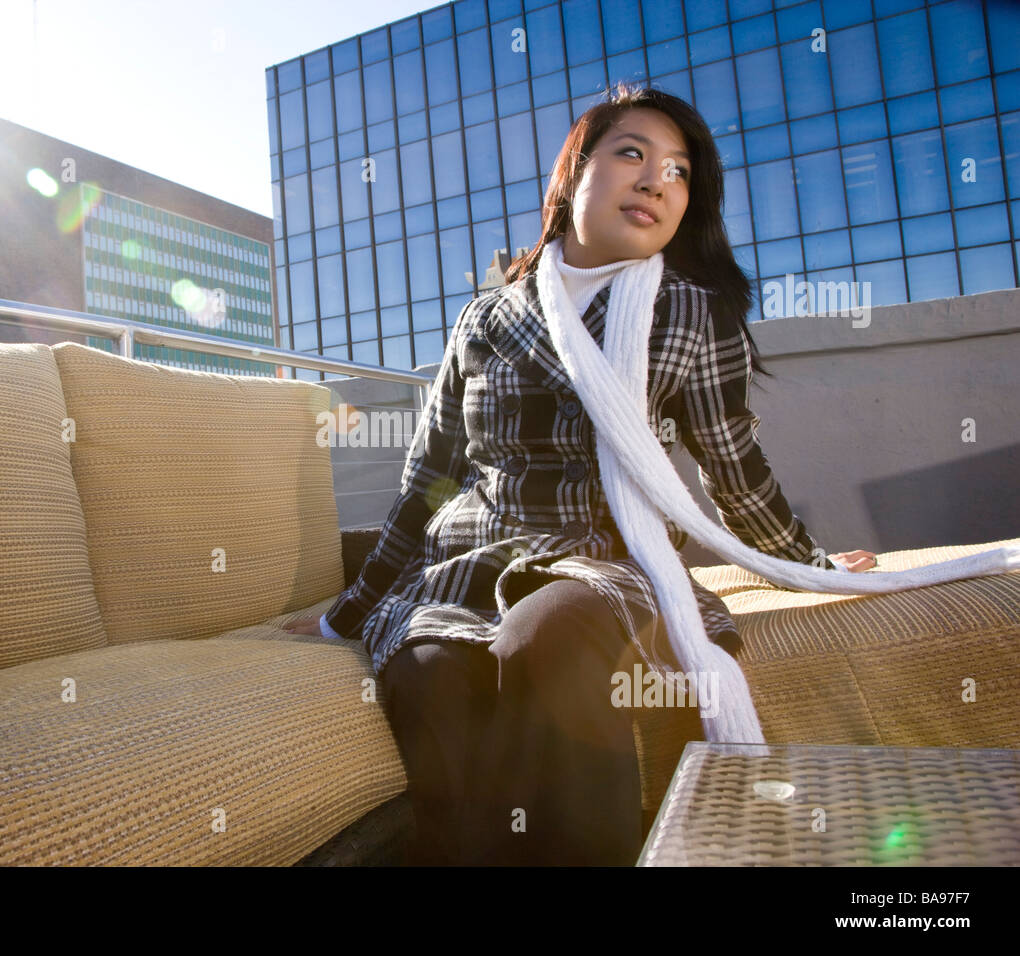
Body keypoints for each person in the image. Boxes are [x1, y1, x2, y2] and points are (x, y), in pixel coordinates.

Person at [284, 82, 875, 866]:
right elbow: (427, 477)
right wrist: (348, 613)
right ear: (573, 177)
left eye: (679, 170)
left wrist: (812, 567)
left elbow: (737, 471)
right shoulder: (487, 319)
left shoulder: (694, 314)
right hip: (470, 559)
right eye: (632, 152)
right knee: (429, 676)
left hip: (606, 561)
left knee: (550, 641)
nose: (657, 179)